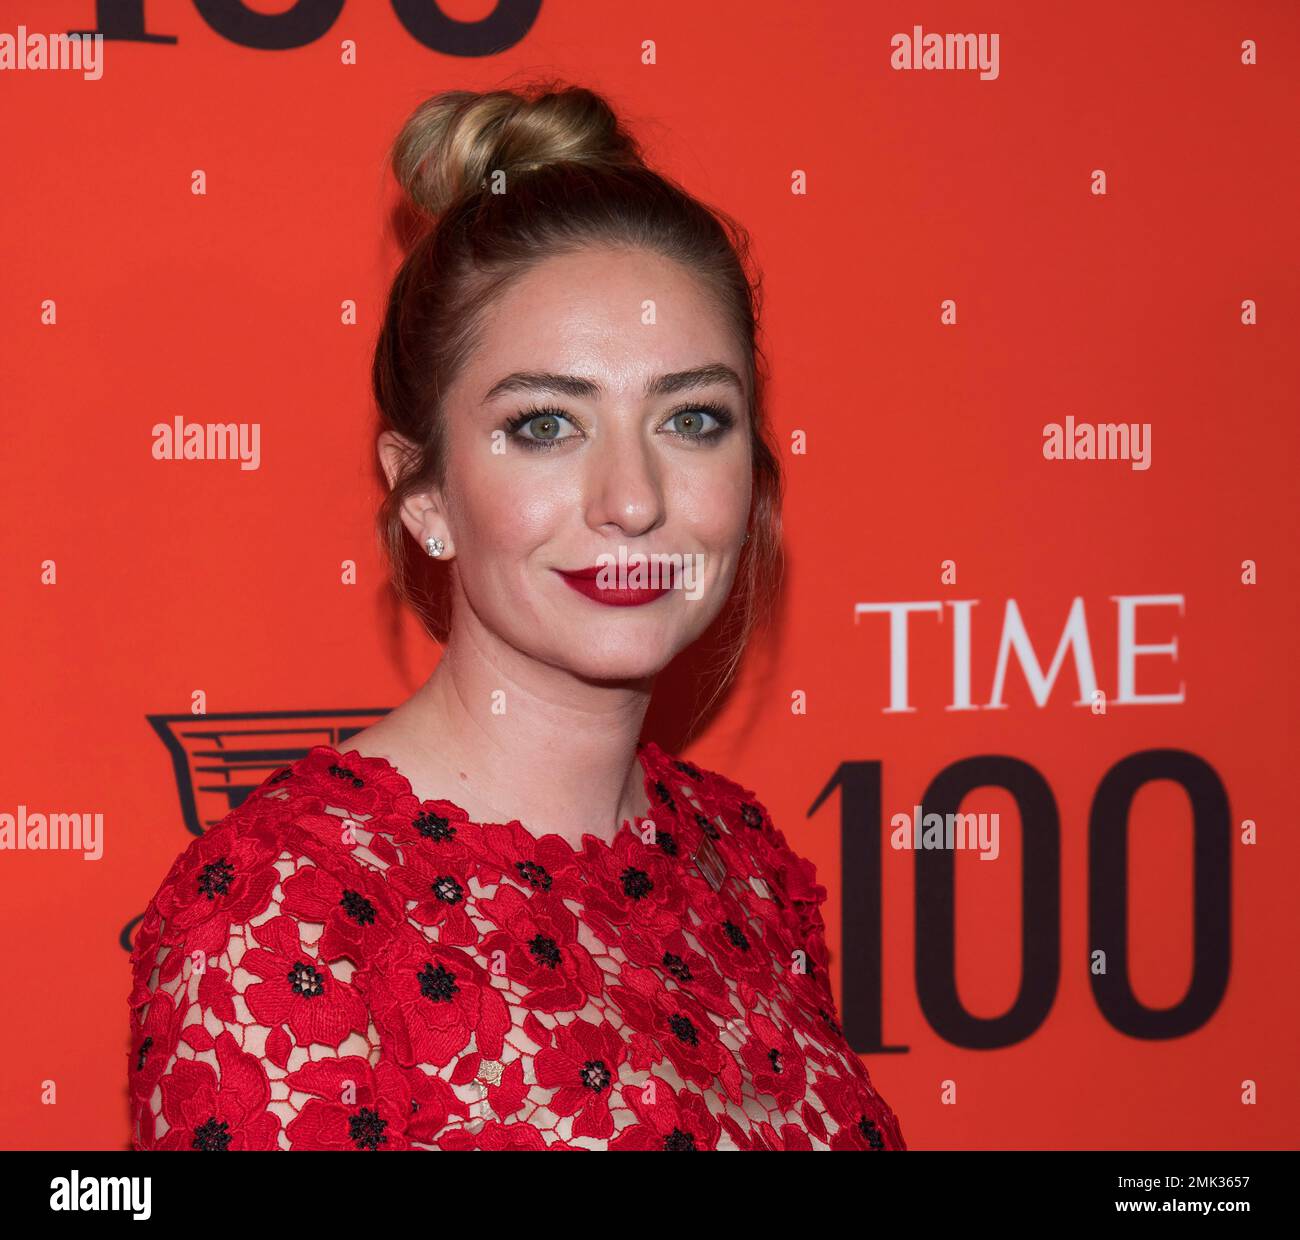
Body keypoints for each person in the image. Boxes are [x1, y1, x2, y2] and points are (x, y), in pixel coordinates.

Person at [126, 80, 906, 1151]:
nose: (632, 498)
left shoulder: (743, 860)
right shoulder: (277, 916)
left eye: (691, 417)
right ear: (426, 494)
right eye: (544, 423)